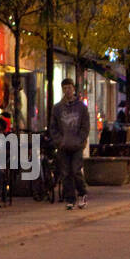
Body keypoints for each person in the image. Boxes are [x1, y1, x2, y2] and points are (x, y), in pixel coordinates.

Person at [50, 78, 90, 210]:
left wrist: (80, 140)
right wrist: (59, 141)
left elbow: (85, 126)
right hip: (63, 145)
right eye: (65, 88)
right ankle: (70, 198)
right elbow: (53, 127)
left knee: (76, 170)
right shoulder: (57, 108)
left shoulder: (81, 108)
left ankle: (82, 193)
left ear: (73, 88)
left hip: (76, 145)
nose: (67, 90)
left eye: (69, 87)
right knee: (65, 172)